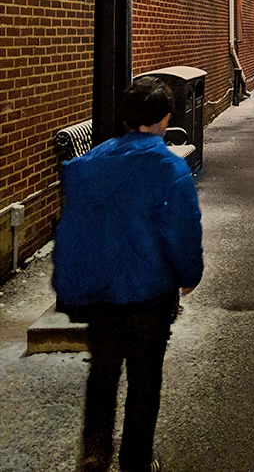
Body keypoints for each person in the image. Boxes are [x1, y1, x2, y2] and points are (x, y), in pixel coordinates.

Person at [52, 77, 204, 472]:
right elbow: (183, 226)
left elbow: (73, 230)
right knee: (144, 378)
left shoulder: (89, 165)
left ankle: (95, 450)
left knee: (102, 373)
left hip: (100, 295)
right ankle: (135, 458)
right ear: (165, 119)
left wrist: (69, 286)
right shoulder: (168, 167)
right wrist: (189, 274)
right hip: (149, 294)